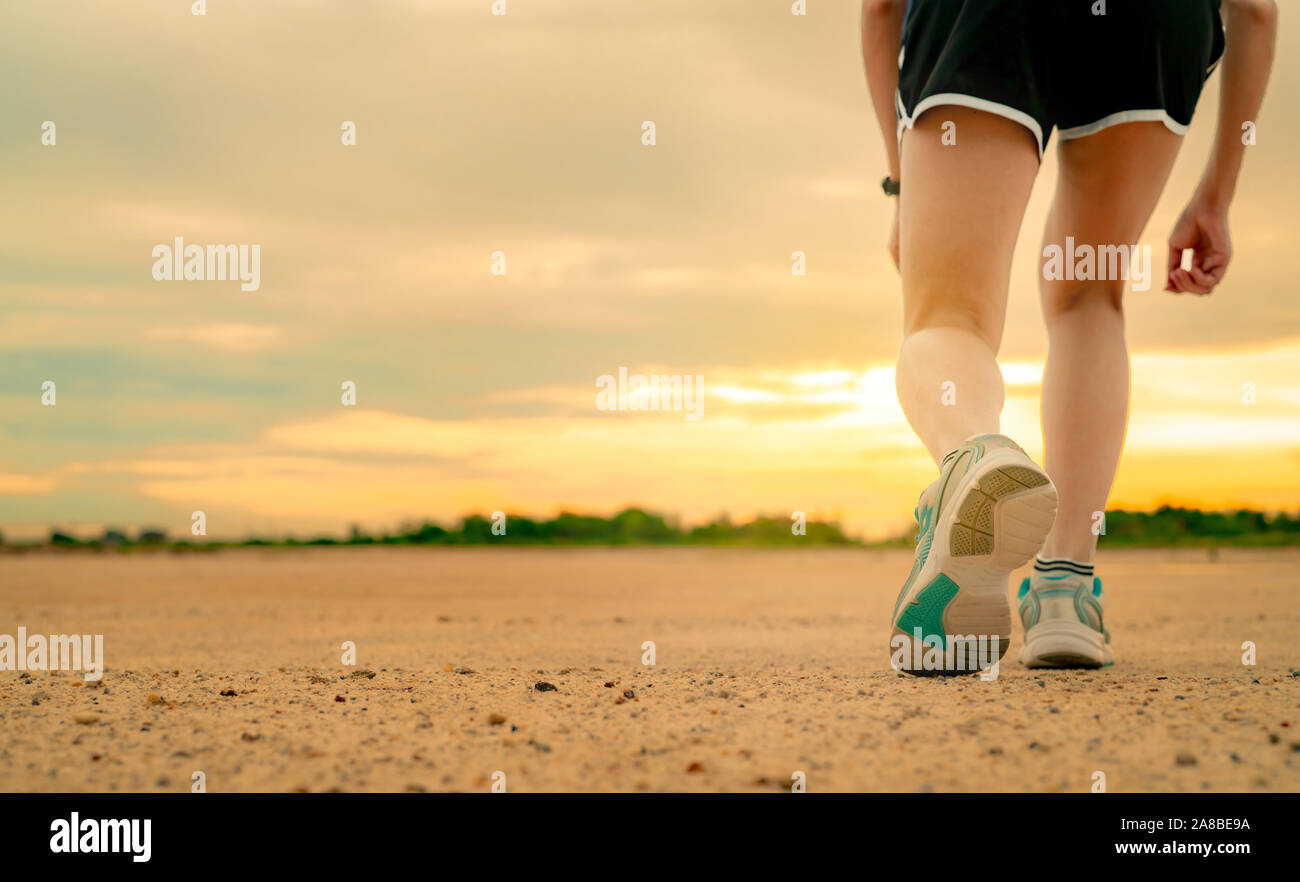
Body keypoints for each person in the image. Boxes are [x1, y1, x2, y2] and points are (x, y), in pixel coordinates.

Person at [863, 0, 1278, 673]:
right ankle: (1065, 591)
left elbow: (881, 6)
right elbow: (1256, 11)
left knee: (949, 316)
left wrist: (901, 183)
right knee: (1089, 297)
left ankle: (976, 455)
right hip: (1154, 27)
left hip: (979, 18)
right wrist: (1216, 195)